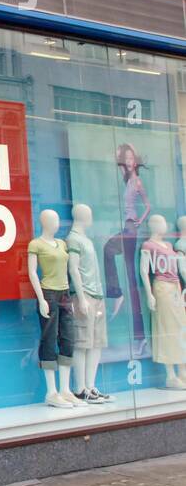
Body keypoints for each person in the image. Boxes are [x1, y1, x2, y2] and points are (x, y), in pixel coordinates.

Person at [103, 143, 148, 355]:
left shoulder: (136, 181)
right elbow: (117, 158)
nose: (128, 162)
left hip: (131, 229)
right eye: (126, 159)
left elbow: (147, 205)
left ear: (135, 161)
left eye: (131, 159)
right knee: (109, 250)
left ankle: (140, 338)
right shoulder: (126, 178)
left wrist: (141, 220)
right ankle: (116, 293)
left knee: (131, 280)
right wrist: (123, 150)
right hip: (127, 228)